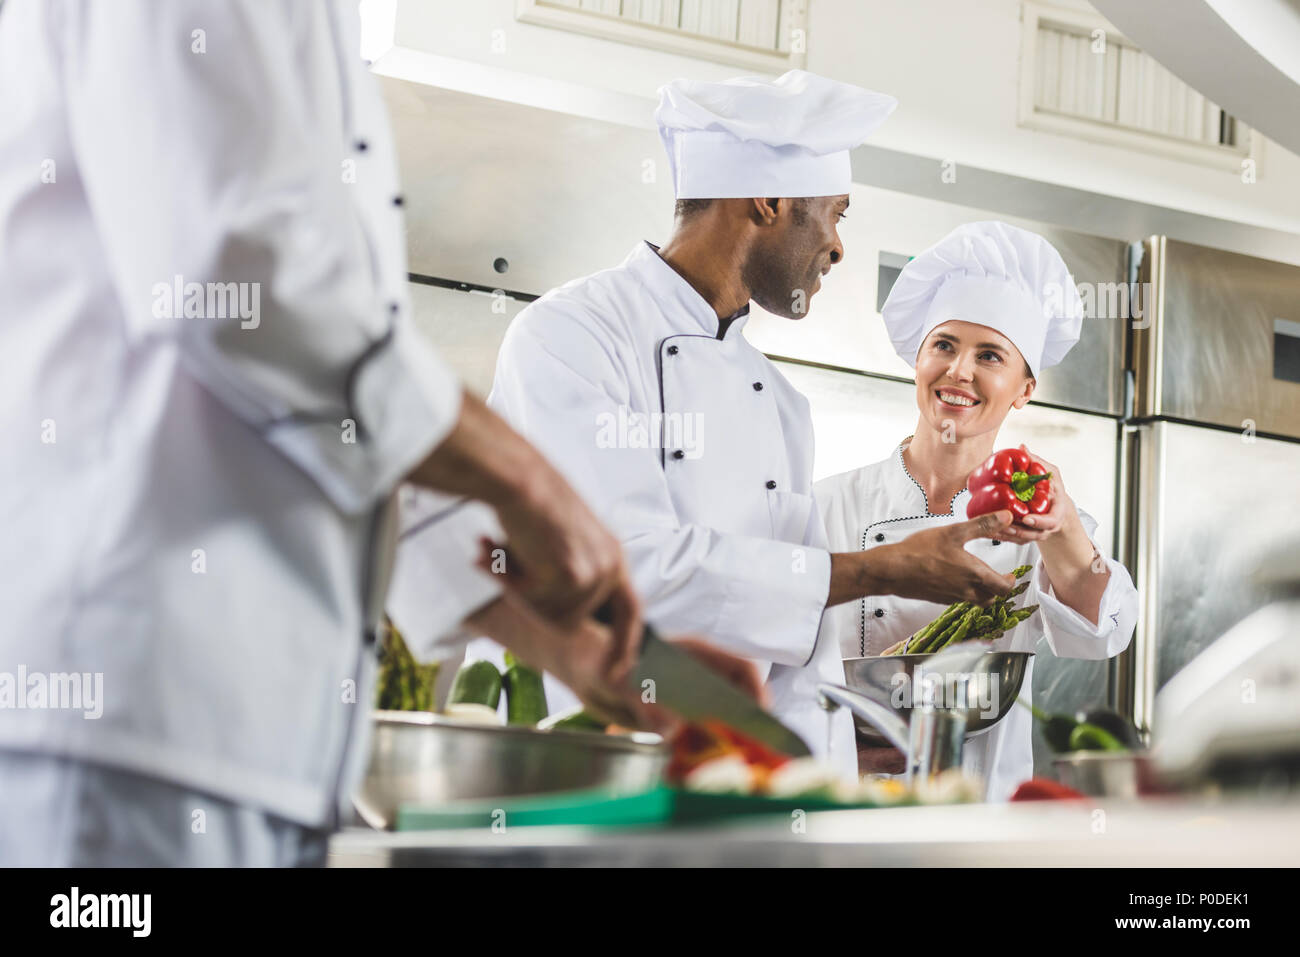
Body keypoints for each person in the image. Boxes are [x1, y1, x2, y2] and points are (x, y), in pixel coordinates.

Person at [0, 0, 748, 867]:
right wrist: (525, 480)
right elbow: (232, 271)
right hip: (132, 718)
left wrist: (580, 649)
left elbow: (345, 409)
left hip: (249, 743)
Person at [467, 70, 1021, 778]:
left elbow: (799, 661)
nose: (838, 247)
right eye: (835, 214)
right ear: (769, 200)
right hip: (597, 773)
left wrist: (819, 802)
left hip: (732, 793)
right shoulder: (571, 336)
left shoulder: (783, 405)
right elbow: (621, 573)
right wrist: (883, 568)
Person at [814, 220, 1139, 801]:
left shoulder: (1043, 522)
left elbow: (1103, 634)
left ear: (1023, 389)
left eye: (990, 356)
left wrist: (1059, 525)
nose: (960, 371)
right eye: (944, 345)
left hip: (977, 821)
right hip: (839, 806)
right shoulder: (827, 504)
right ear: (919, 360)